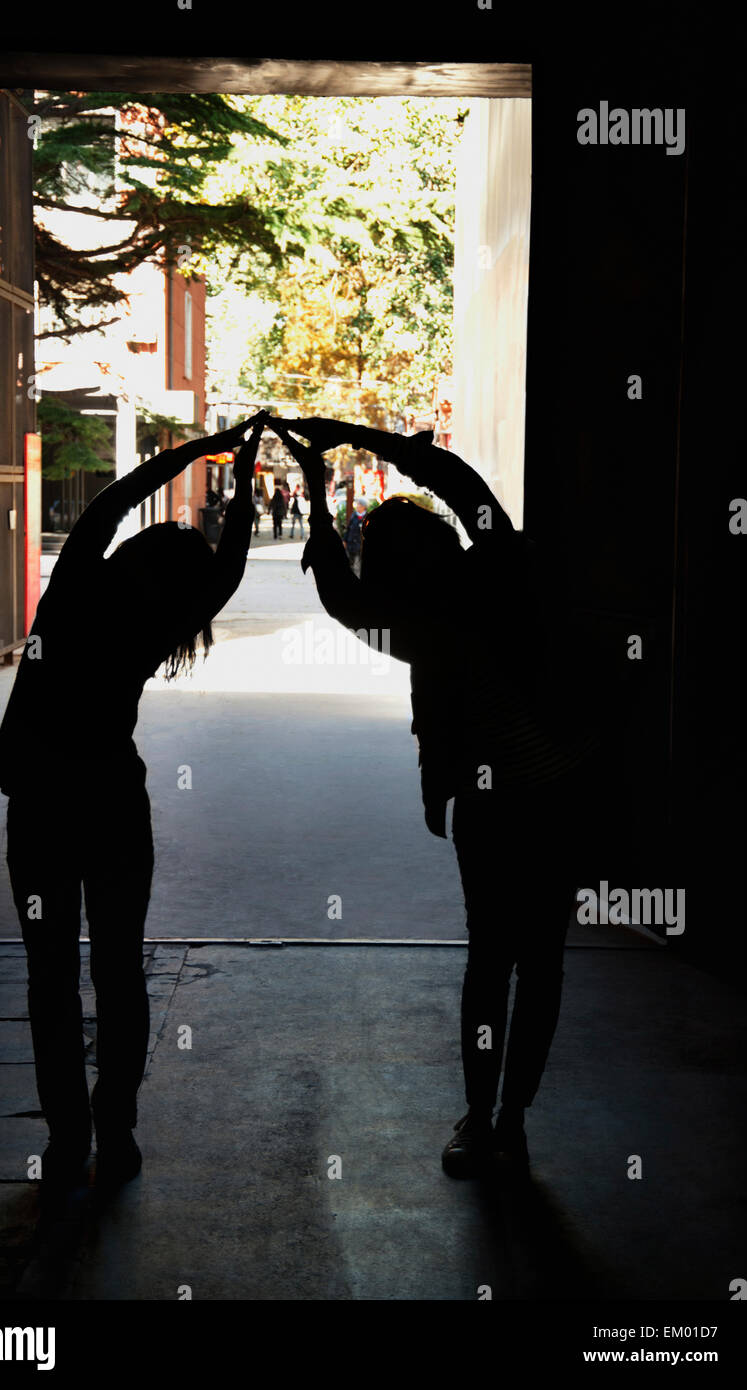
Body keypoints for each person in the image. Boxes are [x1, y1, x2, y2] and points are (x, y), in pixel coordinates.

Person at [267, 413, 625, 1179]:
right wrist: (324, 489)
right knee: (524, 962)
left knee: (505, 962)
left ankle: (495, 1117)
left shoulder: (493, 572)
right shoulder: (456, 593)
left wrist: (348, 458)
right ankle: (499, 1118)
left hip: (534, 801)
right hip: (539, 799)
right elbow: (353, 594)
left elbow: (353, 592)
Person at [0, 412, 266, 1191]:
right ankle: (117, 1130)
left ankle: (67, 1134)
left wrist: (197, 455)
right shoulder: (158, 621)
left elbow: (110, 503)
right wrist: (241, 489)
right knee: (118, 970)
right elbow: (230, 571)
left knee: (50, 974)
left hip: (41, 806)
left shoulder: (76, 585)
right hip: (112, 802)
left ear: (135, 554)